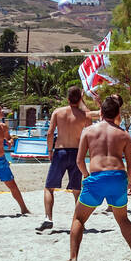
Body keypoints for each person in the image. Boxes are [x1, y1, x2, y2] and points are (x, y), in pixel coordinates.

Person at [61, 94, 131, 261]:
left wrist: (85, 176)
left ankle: (73, 258)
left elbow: (79, 161)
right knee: (122, 219)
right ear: (117, 113)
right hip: (117, 178)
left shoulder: (88, 131)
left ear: (101, 111)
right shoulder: (124, 134)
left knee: (79, 218)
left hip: (96, 179)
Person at [38, 85, 100, 233]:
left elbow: (49, 132)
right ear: (79, 99)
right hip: (77, 152)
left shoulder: (58, 112)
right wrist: (92, 102)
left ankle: (48, 218)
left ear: (67, 98)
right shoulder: (84, 115)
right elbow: (98, 117)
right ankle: (80, 221)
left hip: (60, 151)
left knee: (49, 188)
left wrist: (50, 150)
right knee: (77, 190)